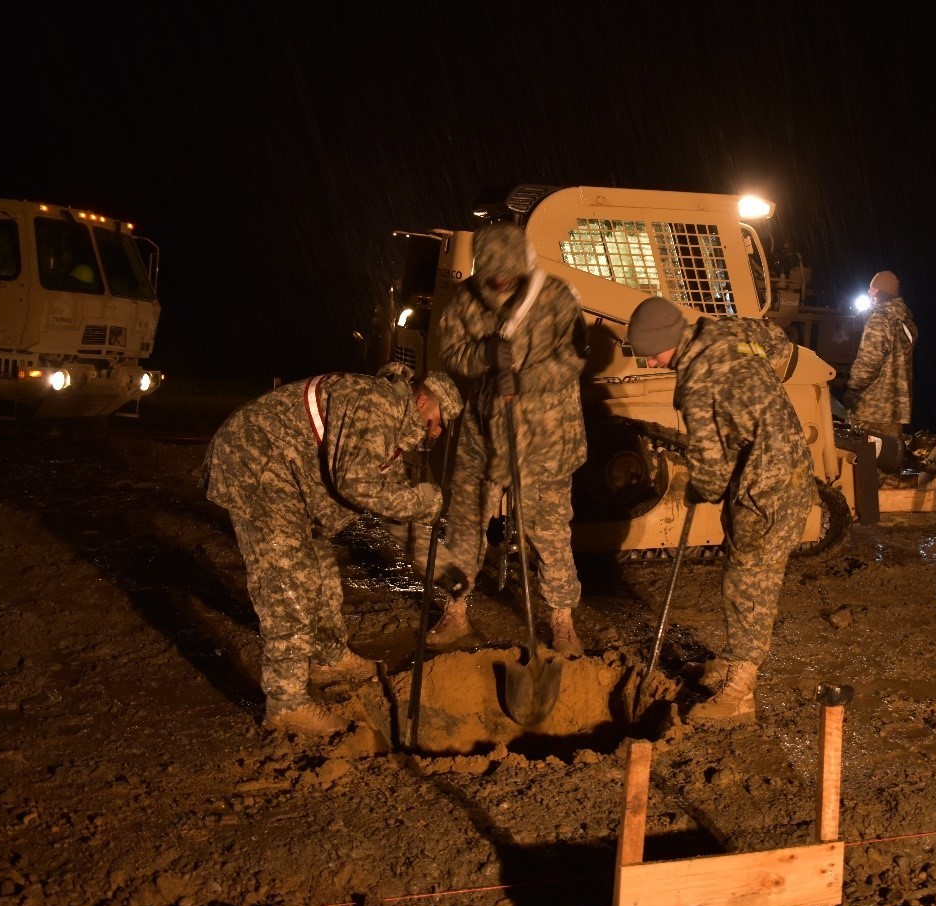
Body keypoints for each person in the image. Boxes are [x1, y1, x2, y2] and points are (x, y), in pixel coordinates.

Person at [202, 364, 462, 737]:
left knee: (322, 568)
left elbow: (393, 503)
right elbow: (357, 484)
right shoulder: (378, 403)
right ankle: (287, 704)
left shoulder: (392, 432)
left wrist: (440, 564)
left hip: (293, 479)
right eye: (438, 421)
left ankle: (328, 657)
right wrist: (428, 502)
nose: (436, 432)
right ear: (421, 401)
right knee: (288, 582)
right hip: (258, 464)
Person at [624, 296, 815, 723]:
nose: (651, 364)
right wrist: (758, 403)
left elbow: (710, 473)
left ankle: (740, 693)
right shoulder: (726, 330)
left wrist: (697, 489)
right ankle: (732, 660)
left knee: (750, 579)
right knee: (742, 567)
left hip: (768, 482)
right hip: (782, 463)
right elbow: (780, 342)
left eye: (651, 354)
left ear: (667, 341)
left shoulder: (696, 383)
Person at [427, 223, 588, 655]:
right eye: (492, 276)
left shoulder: (557, 297)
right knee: (464, 524)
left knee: (549, 531)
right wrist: (481, 356)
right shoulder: (466, 300)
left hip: (546, 436)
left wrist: (524, 378)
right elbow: (452, 351)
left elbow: (574, 359)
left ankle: (561, 619)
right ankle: (456, 609)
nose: (500, 282)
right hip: (483, 433)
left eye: (508, 274)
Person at [843, 270, 917, 471]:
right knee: (889, 462)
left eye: (871, 287)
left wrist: (853, 389)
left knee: (863, 467)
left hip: (871, 410)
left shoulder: (880, 318)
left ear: (878, 290)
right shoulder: (905, 320)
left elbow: (869, 361)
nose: (868, 291)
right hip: (895, 410)